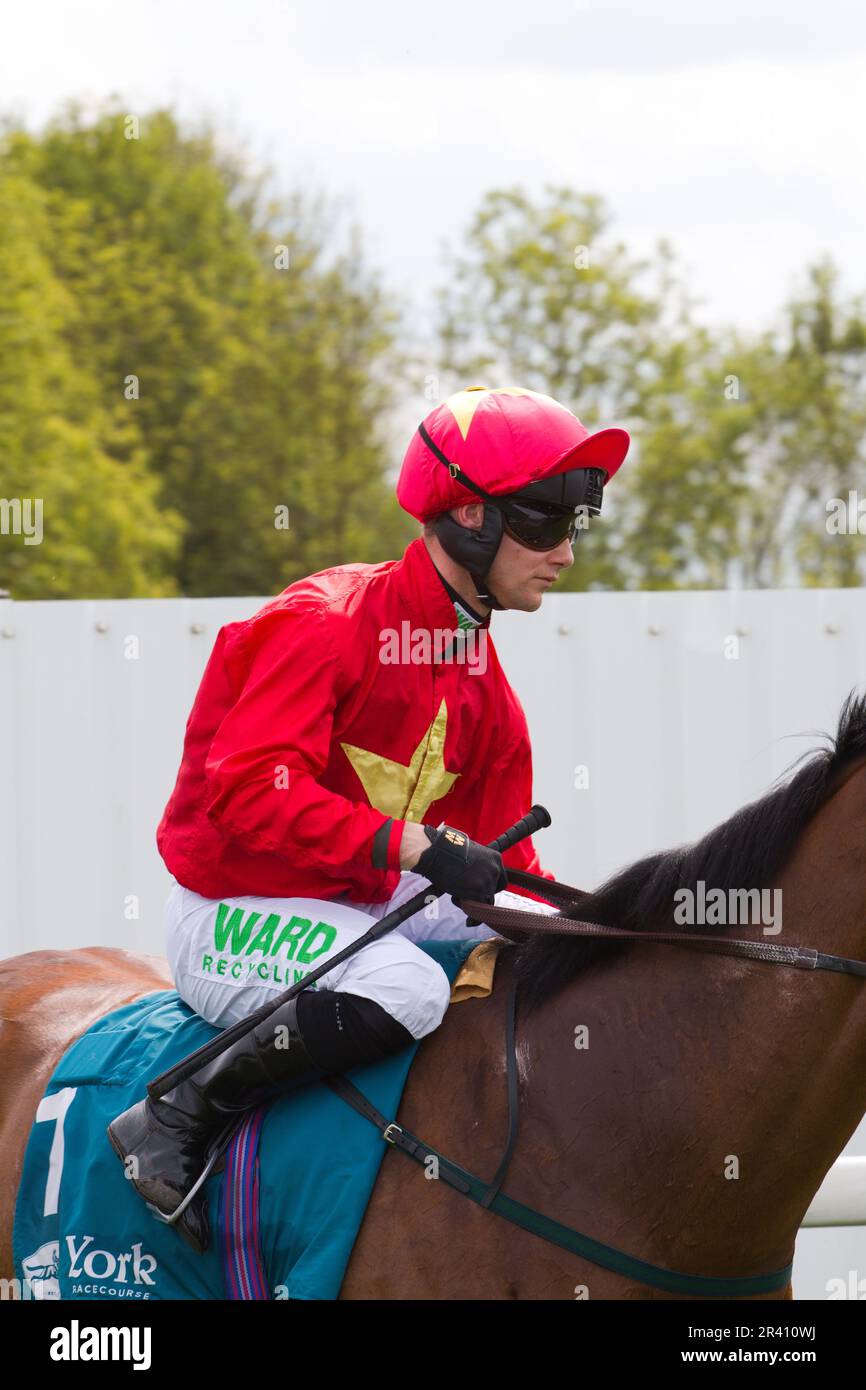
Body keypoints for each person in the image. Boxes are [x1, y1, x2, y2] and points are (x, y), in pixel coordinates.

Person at [107, 384, 629, 1252]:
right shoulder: (326, 621)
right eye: (543, 525)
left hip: (358, 906)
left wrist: (591, 926)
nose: (565, 555)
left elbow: (505, 870)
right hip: (232, 909)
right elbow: (247, 787)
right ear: (468, 517)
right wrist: (414, 843)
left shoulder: (486, 690)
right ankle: (174, 1112)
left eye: (576, 529)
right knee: (409, 988)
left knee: (554, 946)